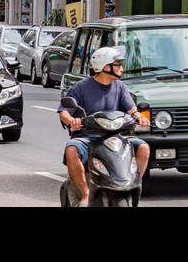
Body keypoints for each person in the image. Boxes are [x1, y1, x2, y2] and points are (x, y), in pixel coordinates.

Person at [58, 46, 149, 206]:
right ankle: (85, 194)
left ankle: (132, 186)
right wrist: (71, 120)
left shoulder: (120, 87)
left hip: (116, 139)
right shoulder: (81, 87)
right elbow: (64, 112)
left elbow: (132, 109)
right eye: (118, 64)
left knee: (143, 148)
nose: (121, 68)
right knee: (71, 149)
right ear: (106, 67)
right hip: (87, 139)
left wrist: (139, 117)